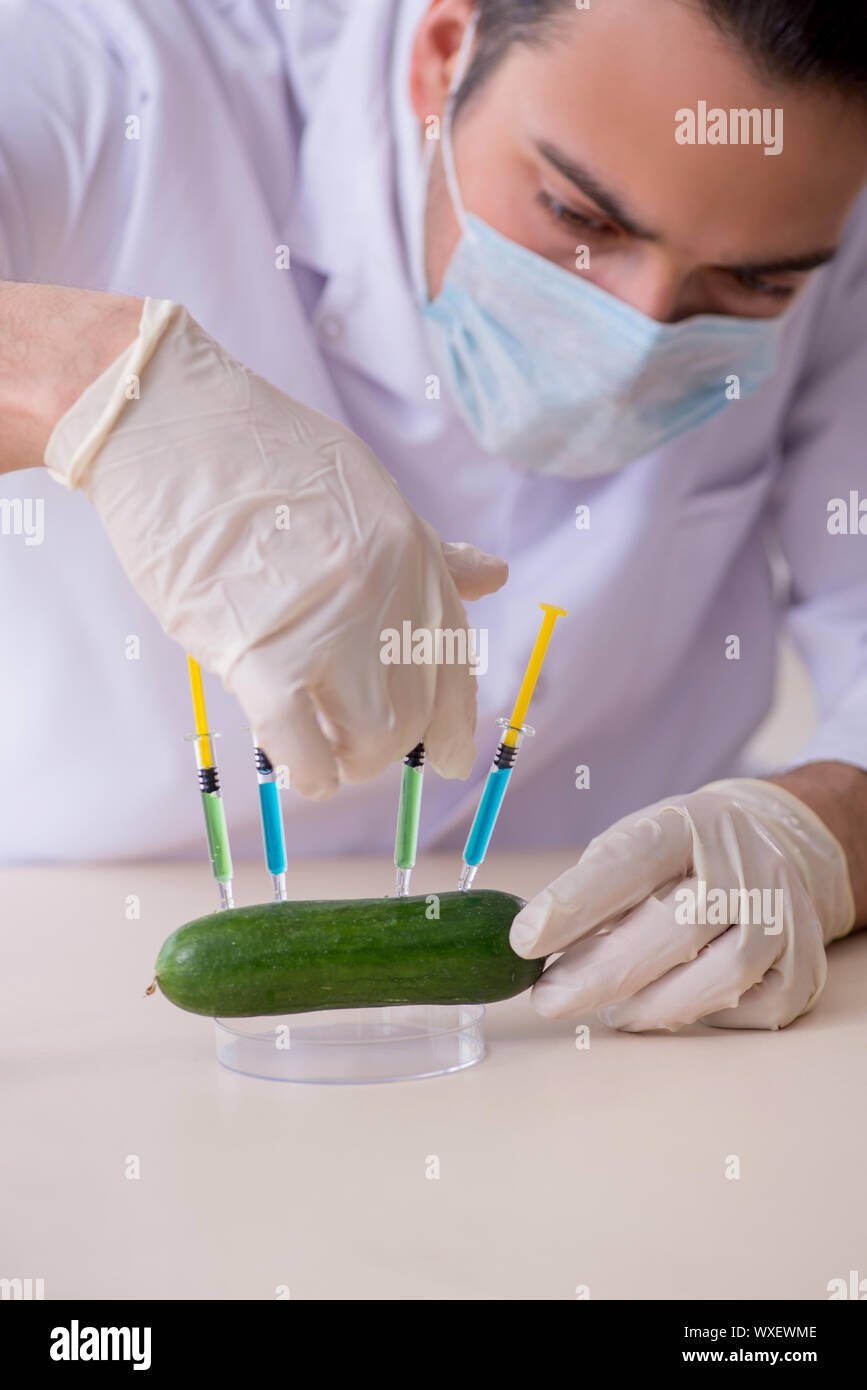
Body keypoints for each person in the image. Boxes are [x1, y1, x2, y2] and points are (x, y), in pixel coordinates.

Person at [1, 0, 866, 1031]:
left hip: (627, 1012)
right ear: (445, 52)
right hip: (68, 967)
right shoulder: (99, 73)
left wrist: (823, 824)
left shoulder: (829, 212)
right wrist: (91, 379)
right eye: (581, 219)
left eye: (751, 283)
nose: (638, 337)